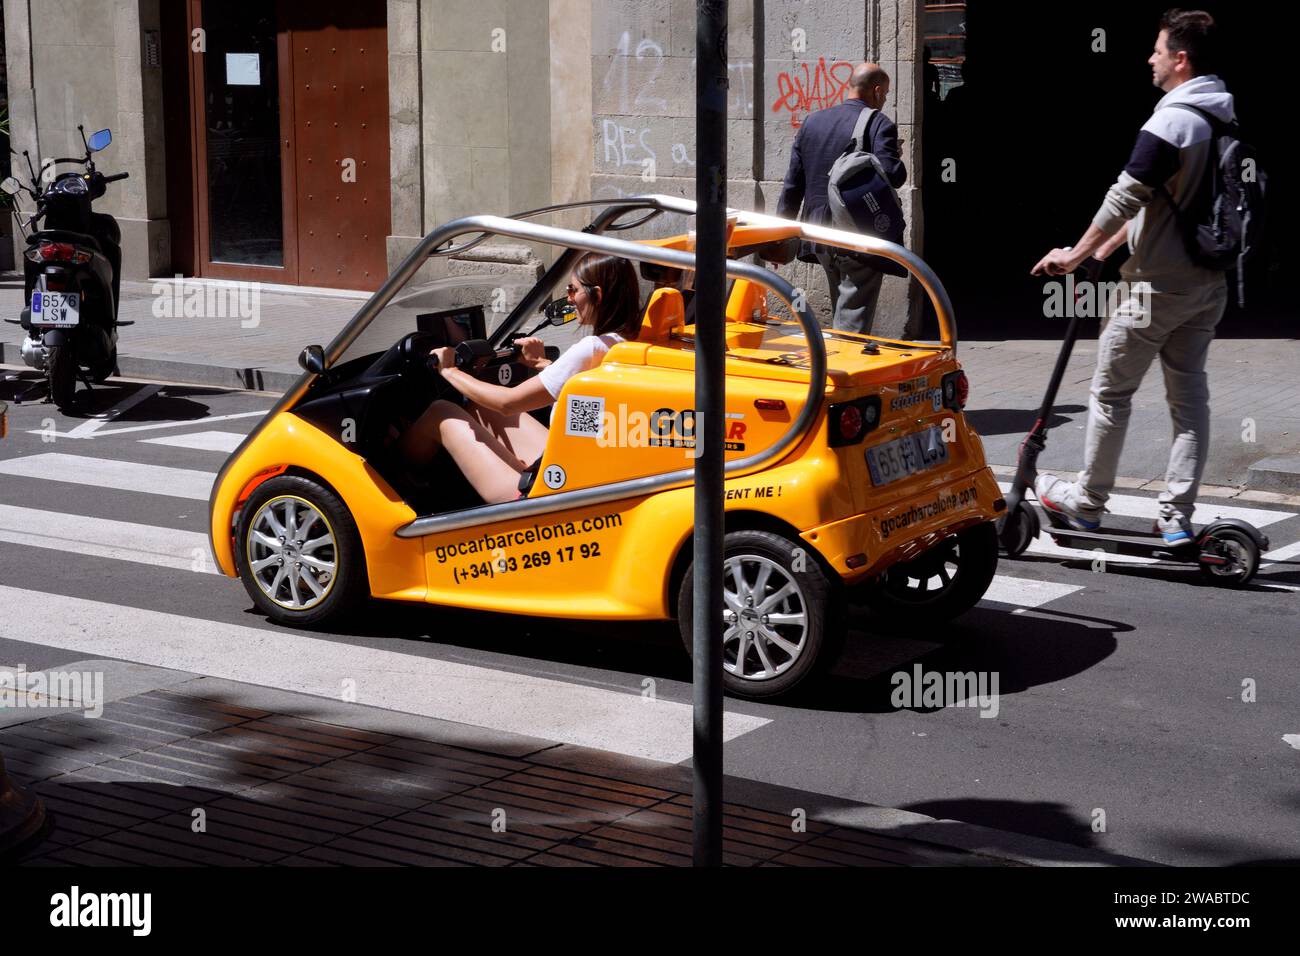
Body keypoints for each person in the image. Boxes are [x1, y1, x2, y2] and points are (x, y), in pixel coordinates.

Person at [1030, 9, 1232, 545]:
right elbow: (1165, 204)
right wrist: (1109, 247)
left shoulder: (1172, 120)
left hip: (1151, 289)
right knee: (1190, 403)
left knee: (1110, 394)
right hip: (1207, 286)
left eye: (1158, 49)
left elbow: (1126, 196)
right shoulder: (1222, 119)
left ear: (1180, 59)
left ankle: (1088, 504)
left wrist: (1075, 255)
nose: (1151, 58)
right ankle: (1175, 515)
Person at [399, 253, 641, 503]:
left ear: (597, 296)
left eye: (573, 289)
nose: (569, 298)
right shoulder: (631, 341)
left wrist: (449, 371)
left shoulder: (591, 347)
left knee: (441, 411)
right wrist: (541, 364)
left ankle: (397, 486)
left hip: (550, 493)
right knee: (479, 406)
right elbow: (586, 398)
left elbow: (508, 403)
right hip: (583, 469)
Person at [776, 62, 907, 334]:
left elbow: (793, 183)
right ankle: (841, 371)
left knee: (842, 306)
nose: (884, 99)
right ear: (877, 90)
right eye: (885, 94)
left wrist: (780, 233)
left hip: (818, 231)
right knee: (853, 318)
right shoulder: (879, 123)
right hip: (857, 231)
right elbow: (894, 176)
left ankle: (832, 363)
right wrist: (897, 155)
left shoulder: (812, 121)